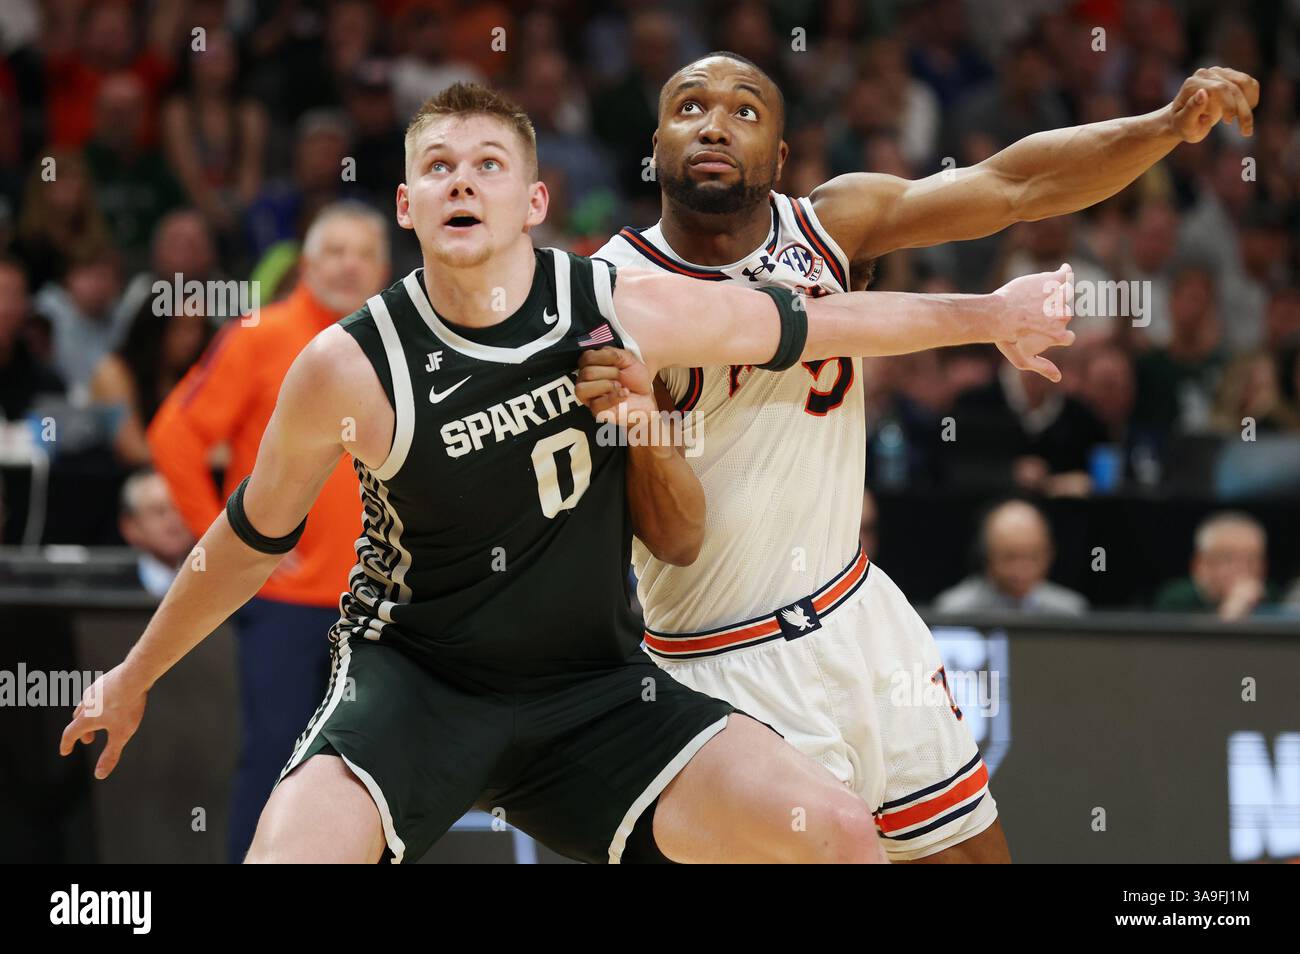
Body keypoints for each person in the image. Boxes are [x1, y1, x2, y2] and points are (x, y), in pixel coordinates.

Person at [61, 82, 1072, 865]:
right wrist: (133, 675)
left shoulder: (614, 301)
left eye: (489, 163)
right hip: (418, 685)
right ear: (407, 204)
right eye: (441, 167)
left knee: (841, 835)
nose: (464, 181)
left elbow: (812, 320)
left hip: (591, 691)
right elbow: (246, 539)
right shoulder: (345, 365)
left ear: (533, 198)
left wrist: (986, 316)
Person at [583, 52, 1255, 862]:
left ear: (784, 156)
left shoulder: (830, 225)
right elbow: (672, 537)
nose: (716, 124)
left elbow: (1015, 186)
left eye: (746, 111)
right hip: (717, 661)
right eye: (690, 107)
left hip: (858, 617)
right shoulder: (605, 294)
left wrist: (1163, 127)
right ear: (655, 143)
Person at [144, 201, 389, 862]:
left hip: (382, 607)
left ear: (384, 267)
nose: (345, 263)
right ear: (305, 263)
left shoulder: (401, 344)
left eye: (361, 252)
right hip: (284, 604)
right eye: (332, 250)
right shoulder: (260, 334)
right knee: (275, 767)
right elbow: (174, 435)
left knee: (371, 781)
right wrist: (222, 543)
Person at [933, 500, 1088, 614]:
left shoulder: (1070, 612)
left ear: (1049, 555)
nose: (1021, 570)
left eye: (1033, 557)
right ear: (987, 556)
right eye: (1010, 557)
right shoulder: (953, 612)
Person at [1154, 511, 1279, 620]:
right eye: (1228, 558)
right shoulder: (1176, 599)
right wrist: (1231, 611)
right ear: (1200, 564)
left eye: (1252, 560)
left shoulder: (1270, 596)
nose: (1242, 568)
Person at [117, 469, 194, 599]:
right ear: (131, 527)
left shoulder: (223, 583)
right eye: (159, 512)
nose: (174, 520)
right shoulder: (113, 592)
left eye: (181, 509)